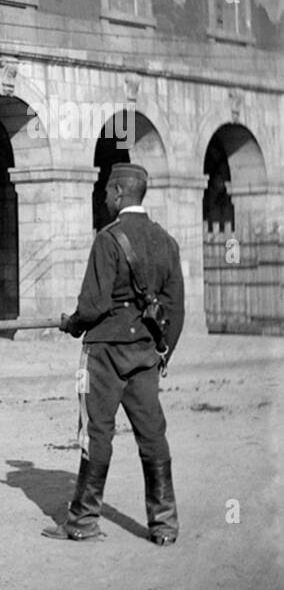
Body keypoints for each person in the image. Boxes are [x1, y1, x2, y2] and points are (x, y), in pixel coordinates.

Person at [44, 163, 185, 545]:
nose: (104, 197)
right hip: (145, 354)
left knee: (97, 432)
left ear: (121, 193)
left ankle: (83, 522)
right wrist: (160, 354)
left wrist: (73, 324)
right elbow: (176, 309)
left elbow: (92, 307)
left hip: (104, 352)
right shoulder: (166, 241)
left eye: (107, 191)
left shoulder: (109, 239)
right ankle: (165, 526)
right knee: (152, 434)